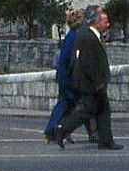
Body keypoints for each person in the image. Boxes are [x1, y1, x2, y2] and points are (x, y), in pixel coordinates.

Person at [52, 8, 122, 150]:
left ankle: (105, 141)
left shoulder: (87, 34)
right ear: (97, 23)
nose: (108, 25)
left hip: (91, 82)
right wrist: (98, 83)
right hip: (92, 84)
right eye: (105, 22)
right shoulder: (88, 37)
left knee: (102, 111)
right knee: (85, 111)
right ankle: (62, 131)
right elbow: (88, 63)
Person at [44, 9, 95, 145]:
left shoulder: (71, 36)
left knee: (70, 105)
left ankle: (59, 131)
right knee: (74, 105)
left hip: (65, 77)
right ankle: (54, 131)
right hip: (69, 78)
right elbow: (70, 59)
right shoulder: (74, 37)